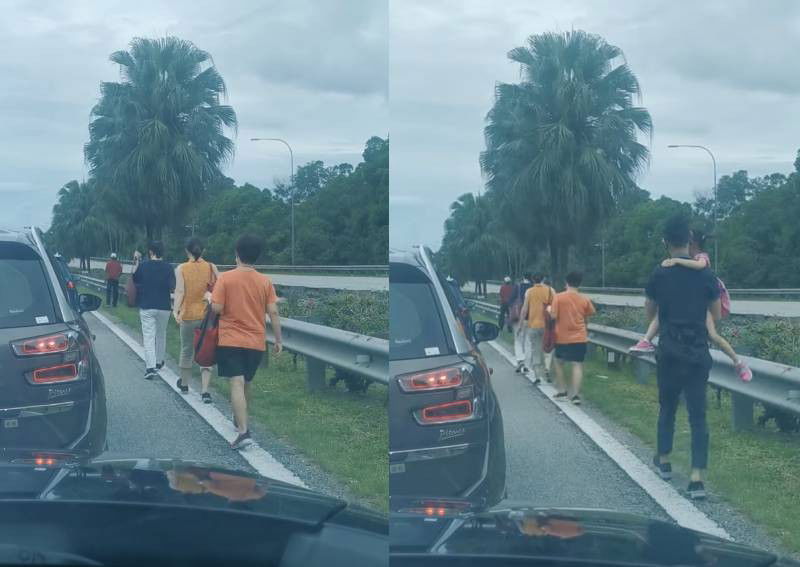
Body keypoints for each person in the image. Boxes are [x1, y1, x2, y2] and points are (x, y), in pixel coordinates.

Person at [644, 215, 721, 500]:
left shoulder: (659, 274)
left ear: (666, 242)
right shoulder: (706, 275)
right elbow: (717, 314)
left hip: (670, 350)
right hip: (698, 351)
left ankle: (664, 460)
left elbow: (650, 312)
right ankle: (697, 477)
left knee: (668, 407)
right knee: (698, 415)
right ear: (690, 240)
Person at [630, 230, 752, 382]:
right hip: (698, 302)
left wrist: (676, 261)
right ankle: (646, 341)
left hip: (708, 304)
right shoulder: (692, 260)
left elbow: (700, 266)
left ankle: (738, 363)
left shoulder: (702, 258)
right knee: (662, 313)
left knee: (713, 336)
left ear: (692, 244)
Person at [210, 235, 282, 450]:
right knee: (246, 383)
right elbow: (274, 312)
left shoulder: (225, 278)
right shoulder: (264, 281)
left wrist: (209, 300)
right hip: (255, 340)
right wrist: (278, 339)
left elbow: (217, 309)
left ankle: (243, 431)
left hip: (231, 338)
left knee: (236, 382)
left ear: (237, 254)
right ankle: (240, 420)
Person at [173, 237, 220, 400]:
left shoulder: (181, 268)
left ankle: (184, 384)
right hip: (207, 316)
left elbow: (179, 291)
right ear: (203, 251)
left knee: (186, 349)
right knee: (206, 351)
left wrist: (176, 311)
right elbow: (219, 289)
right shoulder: (211, 267)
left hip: (188, 315)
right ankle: (205, 391)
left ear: (186, 251)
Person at [550, 271, 595, 405]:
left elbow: (553, 316)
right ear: (579, 283)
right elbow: (589, 314)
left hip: (562, 337)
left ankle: (562, 390)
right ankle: (575, 395)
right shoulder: (584, 299)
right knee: (577, 364)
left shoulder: (558, 297)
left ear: (566, 282)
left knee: (558, 362)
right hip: (580, 337)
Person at [133, 241, 175, 380]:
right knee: (161, 334)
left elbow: (135, 278)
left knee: (149, 337)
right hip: (164, 306)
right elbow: (172, 287)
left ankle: (150, 367)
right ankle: (159, 361)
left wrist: (137, 261)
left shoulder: (144, 266)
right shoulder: (169, 268)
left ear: (151, 252)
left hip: (147, 305)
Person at [520, 274, 554, 384]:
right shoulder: (550, 290)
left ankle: (537, 376)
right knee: (547, 349)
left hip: (533, 325)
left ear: (533, 280)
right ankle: (547, 369)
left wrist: (521, 325)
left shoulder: (529, 292)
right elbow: (555, 307)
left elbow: (524, 310)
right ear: (543, 279)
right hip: (547, 326)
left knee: (536, 350)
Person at [510, 274, 533, 373]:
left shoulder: (517, 286)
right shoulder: (533, 288)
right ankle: (527, 364)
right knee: (528, 342)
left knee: (518, 340)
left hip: (518, 318)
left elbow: (510, 301)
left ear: (523, 277)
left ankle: (520, 360)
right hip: (531, 318)